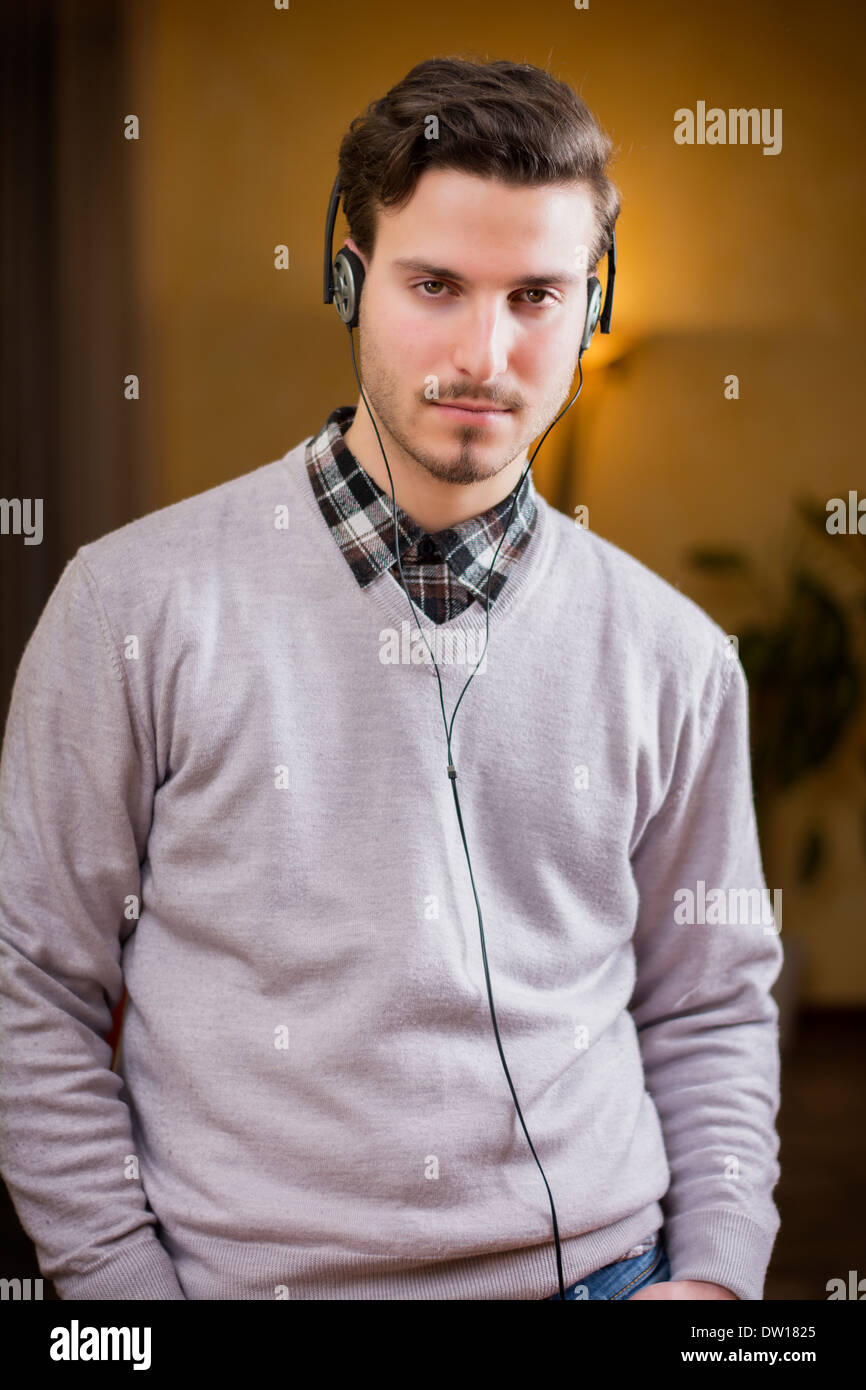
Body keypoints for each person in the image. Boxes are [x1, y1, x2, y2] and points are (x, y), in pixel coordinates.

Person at [0, 56, 782, 1302]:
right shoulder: (125, 605)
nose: (484, 351)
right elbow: (29, 982)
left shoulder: (675, 653)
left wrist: (714, 1283)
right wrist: (118, 1295)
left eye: (536, 294)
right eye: (434, 285)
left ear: (590, 307)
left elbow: (710, 1006)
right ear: (345, 278)